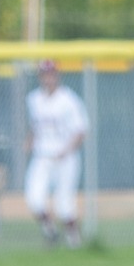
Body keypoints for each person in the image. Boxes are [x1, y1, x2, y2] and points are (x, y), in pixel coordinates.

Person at [25, 59, 88, 248]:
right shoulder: (34, 99)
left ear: (57, 75)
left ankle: (74, 240)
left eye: (51, 74)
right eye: (44, 74)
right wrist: (29, 141)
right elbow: (36, 126)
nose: (48, 78)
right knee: (34, 199)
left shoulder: (68, 99)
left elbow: (81, 131)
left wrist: (67, 150)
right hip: (42, 156)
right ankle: (51, 232)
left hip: (65, 157)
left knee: (64, 205)